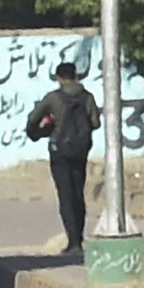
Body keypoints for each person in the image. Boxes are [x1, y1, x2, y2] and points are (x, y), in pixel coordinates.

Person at [26, 60, 101, 252]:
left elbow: (33, 118)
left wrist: (37, 132)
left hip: (60, 150)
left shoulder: (53, 98)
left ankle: (73, 241)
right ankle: (79, 237)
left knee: (65, 195)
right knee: (78, 193)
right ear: (76, 75)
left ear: (59, 78)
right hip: (81, 150)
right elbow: (95, 122)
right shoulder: (87, 97)